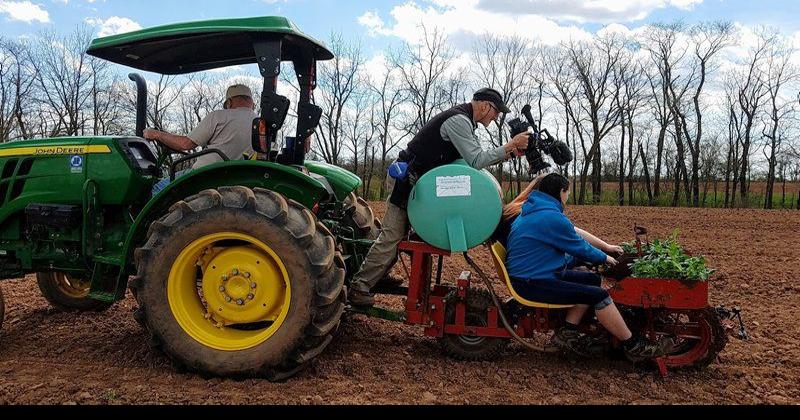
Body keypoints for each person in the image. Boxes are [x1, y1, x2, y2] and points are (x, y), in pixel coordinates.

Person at [348, 88, 531, 307]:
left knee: (402, 236)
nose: (496, 117)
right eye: (496, 111)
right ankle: (359, 287)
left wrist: (509, 153)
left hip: (419, 183)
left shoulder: (465, 122)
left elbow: (468, 163)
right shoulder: (458, 121)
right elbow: (476, 161)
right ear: (484, 106)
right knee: (391, 236)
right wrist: (510, 146)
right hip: (406, 182)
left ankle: (379, 273)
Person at [505, 173, 672, 361]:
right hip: (532, 282)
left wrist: (605, 249)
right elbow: (579, 247)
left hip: (534, 274)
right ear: (561, 191)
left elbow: (572, 233)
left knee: (592, 280)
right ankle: (633, 345)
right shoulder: (550, 217)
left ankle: (567, 332)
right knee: (598, 295)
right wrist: (606, 259)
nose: (567, 197)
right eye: (567, 192)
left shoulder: (535, 211)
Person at [145, 84, 258, 194]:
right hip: (238, 176)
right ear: (251, 102)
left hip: (206, 175)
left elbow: (185, 144)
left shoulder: (219, 116)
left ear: (229, 102)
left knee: (158, 189)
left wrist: (156, 134)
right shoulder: (261, 123)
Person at [494, 174, 624, 257]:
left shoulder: (520, 208)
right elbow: (574, 236)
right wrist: (605, 251)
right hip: (530, 265)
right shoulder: (533, 213)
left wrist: (606, 247)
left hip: (517, 260)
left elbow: (572, 230)